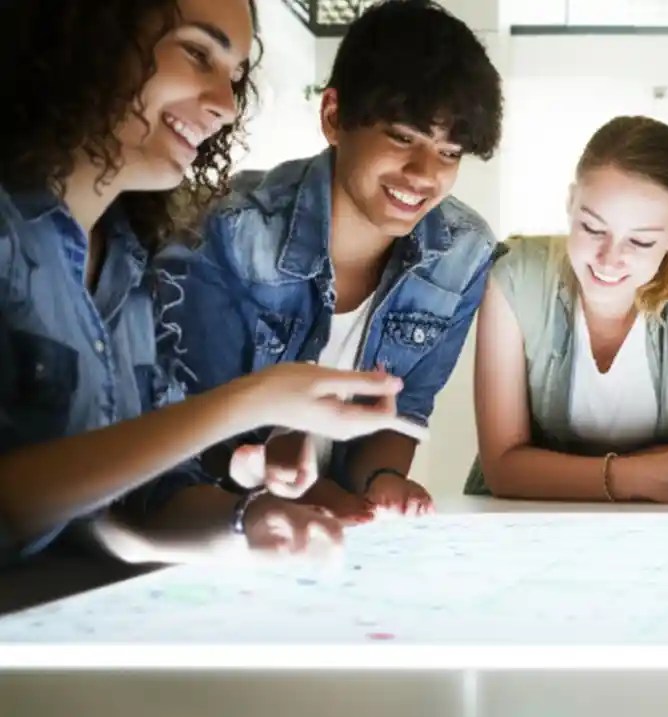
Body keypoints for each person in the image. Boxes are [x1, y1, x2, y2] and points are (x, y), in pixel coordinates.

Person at [0, 0, 414, 565]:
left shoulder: (130, 262)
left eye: (234, 77)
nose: (225, 105)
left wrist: (250, 521)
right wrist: (251, 401)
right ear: (83, 40)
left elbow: (126, 512)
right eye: (197, 54)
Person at [153, 0, 503, 522]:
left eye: (449, 152)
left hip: (331, 531)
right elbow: (191, 427)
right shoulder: (230, 231)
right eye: (402, 137)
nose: (424, 174)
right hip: (215, 520)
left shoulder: (464, 252)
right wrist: (315, 496)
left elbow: (405, 409)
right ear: (334, 116)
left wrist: (382, 481)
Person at [467, 116, 668, 503]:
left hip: (662, 528)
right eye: (593, 228)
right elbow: (502, 469)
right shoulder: (516, 279)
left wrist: (546, 470)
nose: (610, 259)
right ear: (570, 203)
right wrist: (629, 477)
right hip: (523, 522)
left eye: (641, 241)